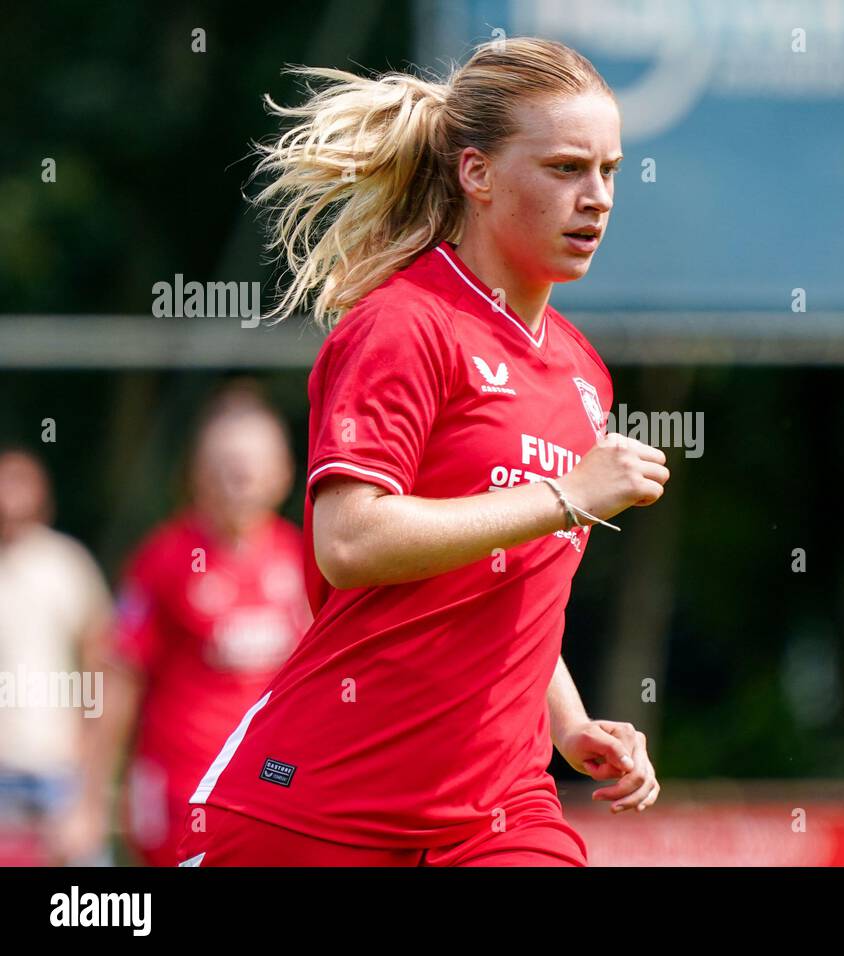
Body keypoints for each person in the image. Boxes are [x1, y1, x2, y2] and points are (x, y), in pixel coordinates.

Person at [176, 37, 667, 868]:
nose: (596, 199)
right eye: (564, 169)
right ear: (475, 174)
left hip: (499, 811)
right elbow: (350, 542)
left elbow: (514, 583)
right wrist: (565, 496)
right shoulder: (405, 325)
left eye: (609, 172)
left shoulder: (583, 372)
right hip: (322, 806)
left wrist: (569, 721)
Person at [70, 382, 311, 866]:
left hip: (273, 793)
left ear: (283, 473)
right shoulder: (163, 560)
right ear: (198, 474)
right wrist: (88, 798)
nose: (237, 480)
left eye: (250, 467)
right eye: (225, 467)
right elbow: (120, 680)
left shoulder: (306, 559)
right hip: (182, 793)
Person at [0, 447, 113, 865]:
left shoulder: (67, 565)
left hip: (60, 770)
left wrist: (90, 790)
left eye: (19, 481)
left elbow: (98, 670)